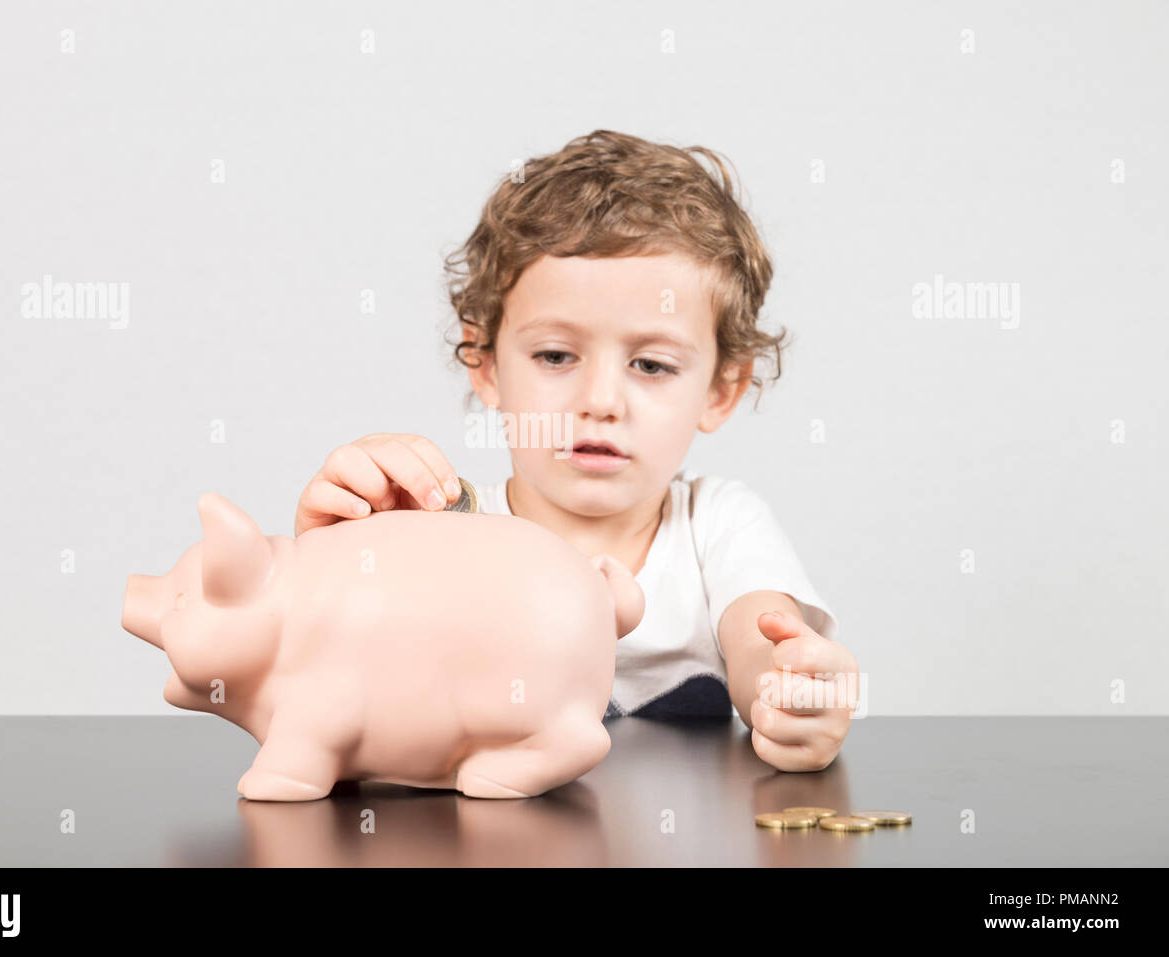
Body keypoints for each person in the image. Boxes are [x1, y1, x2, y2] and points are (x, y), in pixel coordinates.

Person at [293, 130, 859, 772]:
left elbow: (761, 638)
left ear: (721, 389)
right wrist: (339, 555)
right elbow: (350, 680)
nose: (601, 400)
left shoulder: (718, 525)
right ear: (484, 364)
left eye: (651, 364)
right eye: (556, 356)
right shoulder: (442, 524)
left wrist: (789, 692)